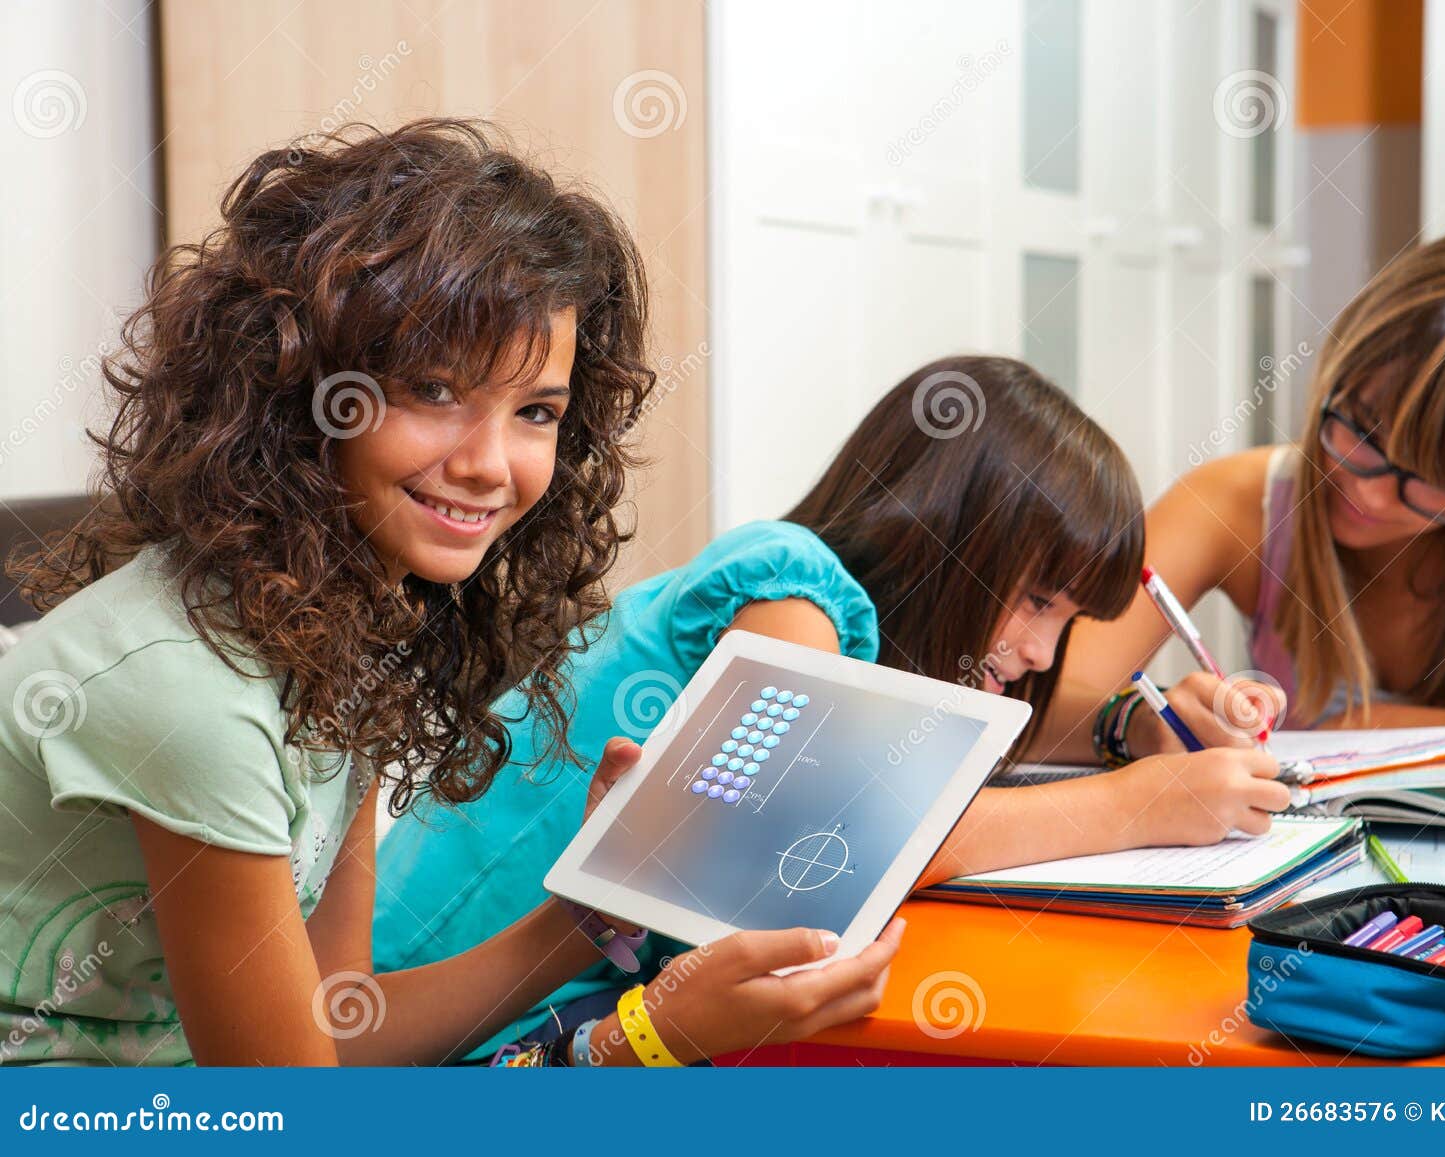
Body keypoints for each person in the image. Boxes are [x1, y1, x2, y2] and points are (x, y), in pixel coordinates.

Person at [0, 118, 898, 1067]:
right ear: (298, 390)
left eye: (535, 412)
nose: (489, 465)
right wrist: (636, 1045)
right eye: (433, 390)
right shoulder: (189, 691)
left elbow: (340, 1023)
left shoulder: (331, 624)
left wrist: (589, 914)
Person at [376, 355, 1286, 1057]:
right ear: (944, 535)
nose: (1044, 652)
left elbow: (953, 747)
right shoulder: (792, 594)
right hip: (436, 1028)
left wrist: (1134, 725)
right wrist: (1138, 805)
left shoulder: (849, 637)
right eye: (1039, 600)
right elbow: (822, 843)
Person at [1055, 225, 1445, 813]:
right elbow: (1045, 691)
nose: (1368, 492)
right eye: (1362, 429)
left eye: (1432, 483)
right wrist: (1134, 720)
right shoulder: (1237, 503)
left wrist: (1343, 730)